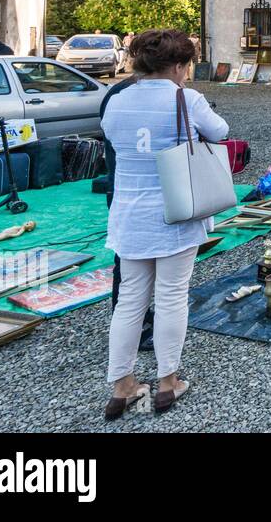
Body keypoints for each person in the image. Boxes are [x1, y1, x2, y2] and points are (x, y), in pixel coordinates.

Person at [101, 29, 229, 419]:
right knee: (172, 295)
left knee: (129, 301)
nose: (187, 73)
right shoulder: (185, 99)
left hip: (128, 213)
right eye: (187, 66)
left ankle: (122, 385)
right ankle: (168, 381)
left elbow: (109, 136)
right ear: (177, 66)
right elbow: (220, 132)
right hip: (174, 211)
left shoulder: (117, 101)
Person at [100, 73, 151, 353]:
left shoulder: (118, 94)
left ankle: (142, 317)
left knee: (132, 265)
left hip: (123, 187)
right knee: (129, 268)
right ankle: (136, 327)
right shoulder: (125, 95)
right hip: (130, 187)